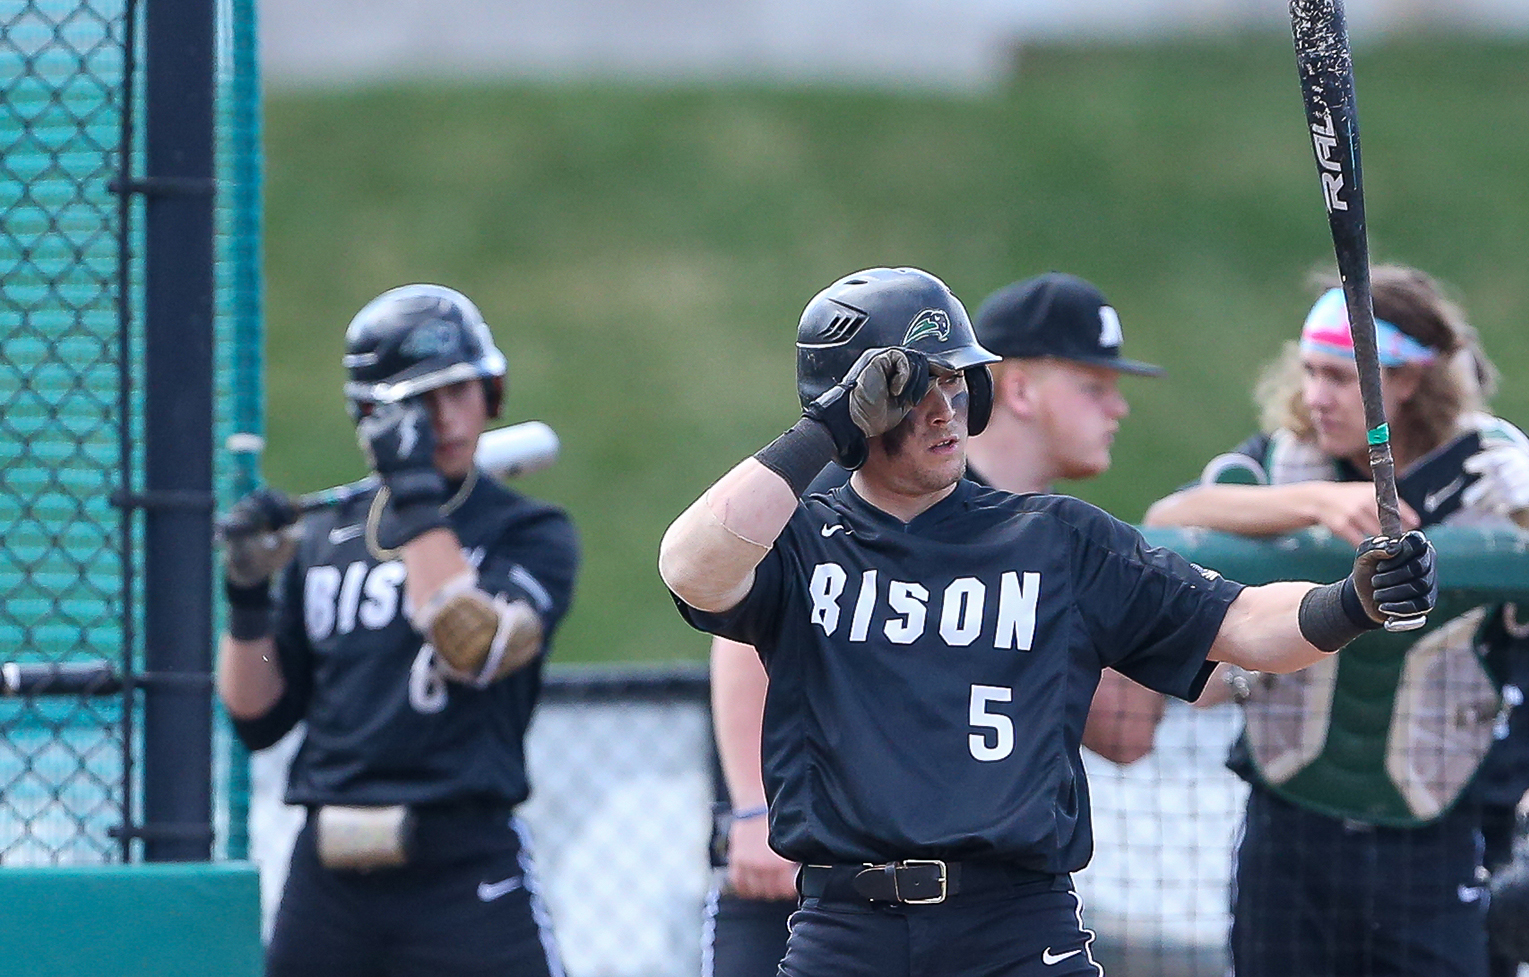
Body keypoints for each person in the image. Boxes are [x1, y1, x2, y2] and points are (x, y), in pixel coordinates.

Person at [659, 266, 1438, 977]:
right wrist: (828, 428)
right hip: (842, 926)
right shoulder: (803, 541)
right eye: (911, 392)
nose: (944, 411)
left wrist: (1353, 601)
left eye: (958, 384)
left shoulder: (1057, 537)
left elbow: (1241, 621)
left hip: (1016, 924)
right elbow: (690, 564)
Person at [1142, 265, 1529, 977]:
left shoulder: (1492, 468)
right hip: (1291, 824)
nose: (1315, 396)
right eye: (1309, 372)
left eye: (1340, 377)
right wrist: (1313, 503)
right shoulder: (1288, 463)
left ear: (1404, 382)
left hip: (1441, 834)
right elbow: (1169, 518)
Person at [704, 271, 1172, 977]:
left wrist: (1192, 624)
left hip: (967, 906)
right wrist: (750, 810)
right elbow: (736, 636)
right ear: (1015, 388)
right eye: (1093, 384)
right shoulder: (874, 488)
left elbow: (1121, 733)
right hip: (810, 864)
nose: (1119, 406)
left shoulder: (1046, 536)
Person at [216, 284, 578, 977]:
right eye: (417, 401)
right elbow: (257, 714)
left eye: (458, 391)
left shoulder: (529, 531)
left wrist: (413, 490)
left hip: (463, 867)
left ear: (489, 391)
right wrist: (247, 593)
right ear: (372, 416)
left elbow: (475, 645)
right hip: (328, 880)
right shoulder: (326, 537)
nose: (444, 418)